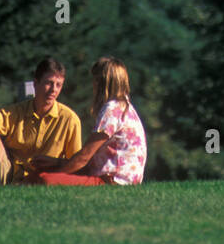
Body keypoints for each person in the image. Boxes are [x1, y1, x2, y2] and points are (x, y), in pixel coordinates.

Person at [0, 56, 82, 186]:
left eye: (58, 85)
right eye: (49, 83)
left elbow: (77, 163)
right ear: (35, 84)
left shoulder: (70, 119)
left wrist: (54, 162)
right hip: (10, 173)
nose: (54, 89)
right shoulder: (17, 111)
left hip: (45, 177)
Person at [31, 56, 147, 186]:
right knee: (42, 173)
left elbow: (84, 157)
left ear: (102, 83)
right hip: (115, 178)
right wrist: (56, 162)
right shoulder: (125, 107)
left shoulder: (112, 109)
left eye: (95, 81)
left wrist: (56, 174)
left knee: (45, 180)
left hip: (112, 181)